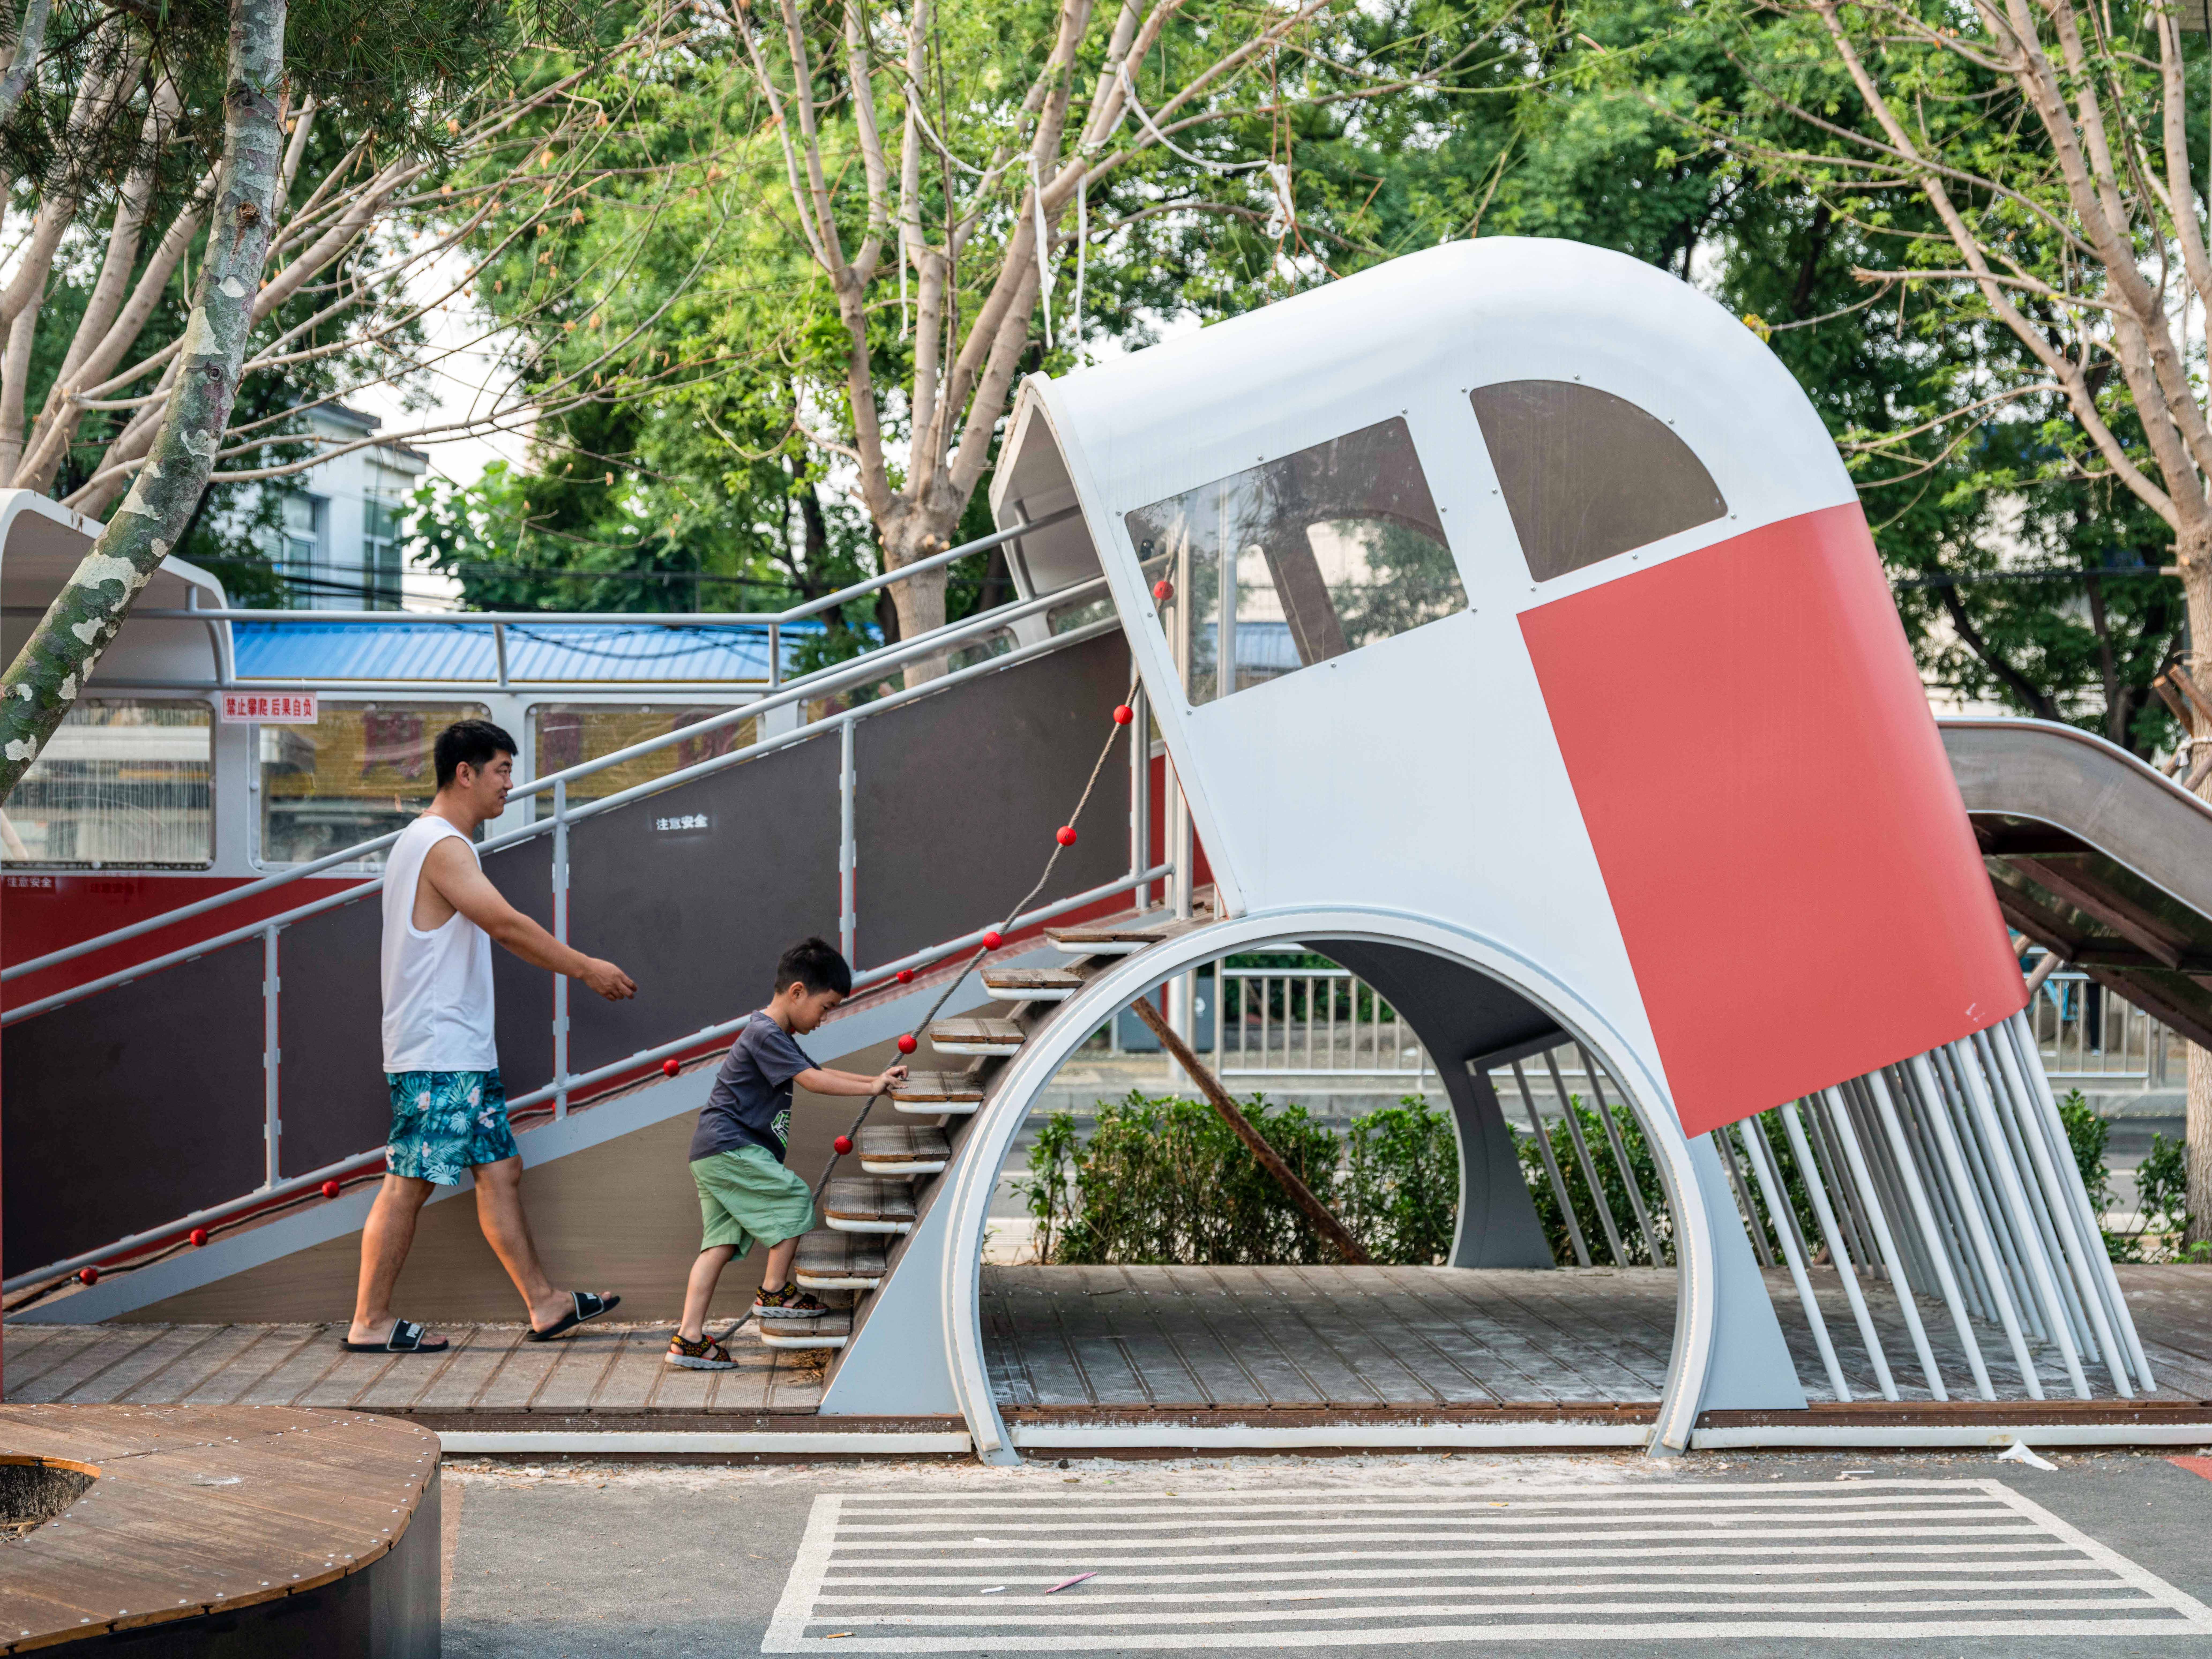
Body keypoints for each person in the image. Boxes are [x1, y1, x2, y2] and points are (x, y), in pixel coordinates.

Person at [345, 719, 638, 1354]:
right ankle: (369, 1321)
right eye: (502, 770)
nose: (512, 784)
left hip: (456, 1051)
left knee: (500, 1170)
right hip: (439, 1052)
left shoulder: (427, 842)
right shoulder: (441, 844)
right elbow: (506, 926)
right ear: (465, 774)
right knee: (409, 1181)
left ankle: (546, 1305)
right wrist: (586, 968)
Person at [665, 938, 906, 1369]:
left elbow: (818, 1072)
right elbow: (813, 1082)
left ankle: (689, 1338)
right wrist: (871, 1086)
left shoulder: (774, 1034)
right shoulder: (765, 1033)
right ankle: (774, 1290)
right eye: (826, 1007)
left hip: (714, 1152)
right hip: (730, 1147)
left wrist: (874, 1081)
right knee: (795, 1197)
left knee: (719, 1243)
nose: (825, 1018)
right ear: (797, 992)